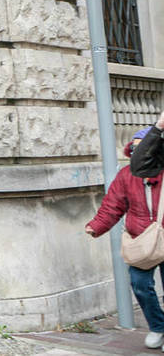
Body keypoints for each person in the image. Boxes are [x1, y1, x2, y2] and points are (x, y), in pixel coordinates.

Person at [87, 119, 164, 350]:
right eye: (138, 148)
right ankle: (158, 326)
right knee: (140, 284)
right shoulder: (126, 175)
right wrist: (97, 225)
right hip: (140, 239)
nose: (143, 152)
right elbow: (113, 205)